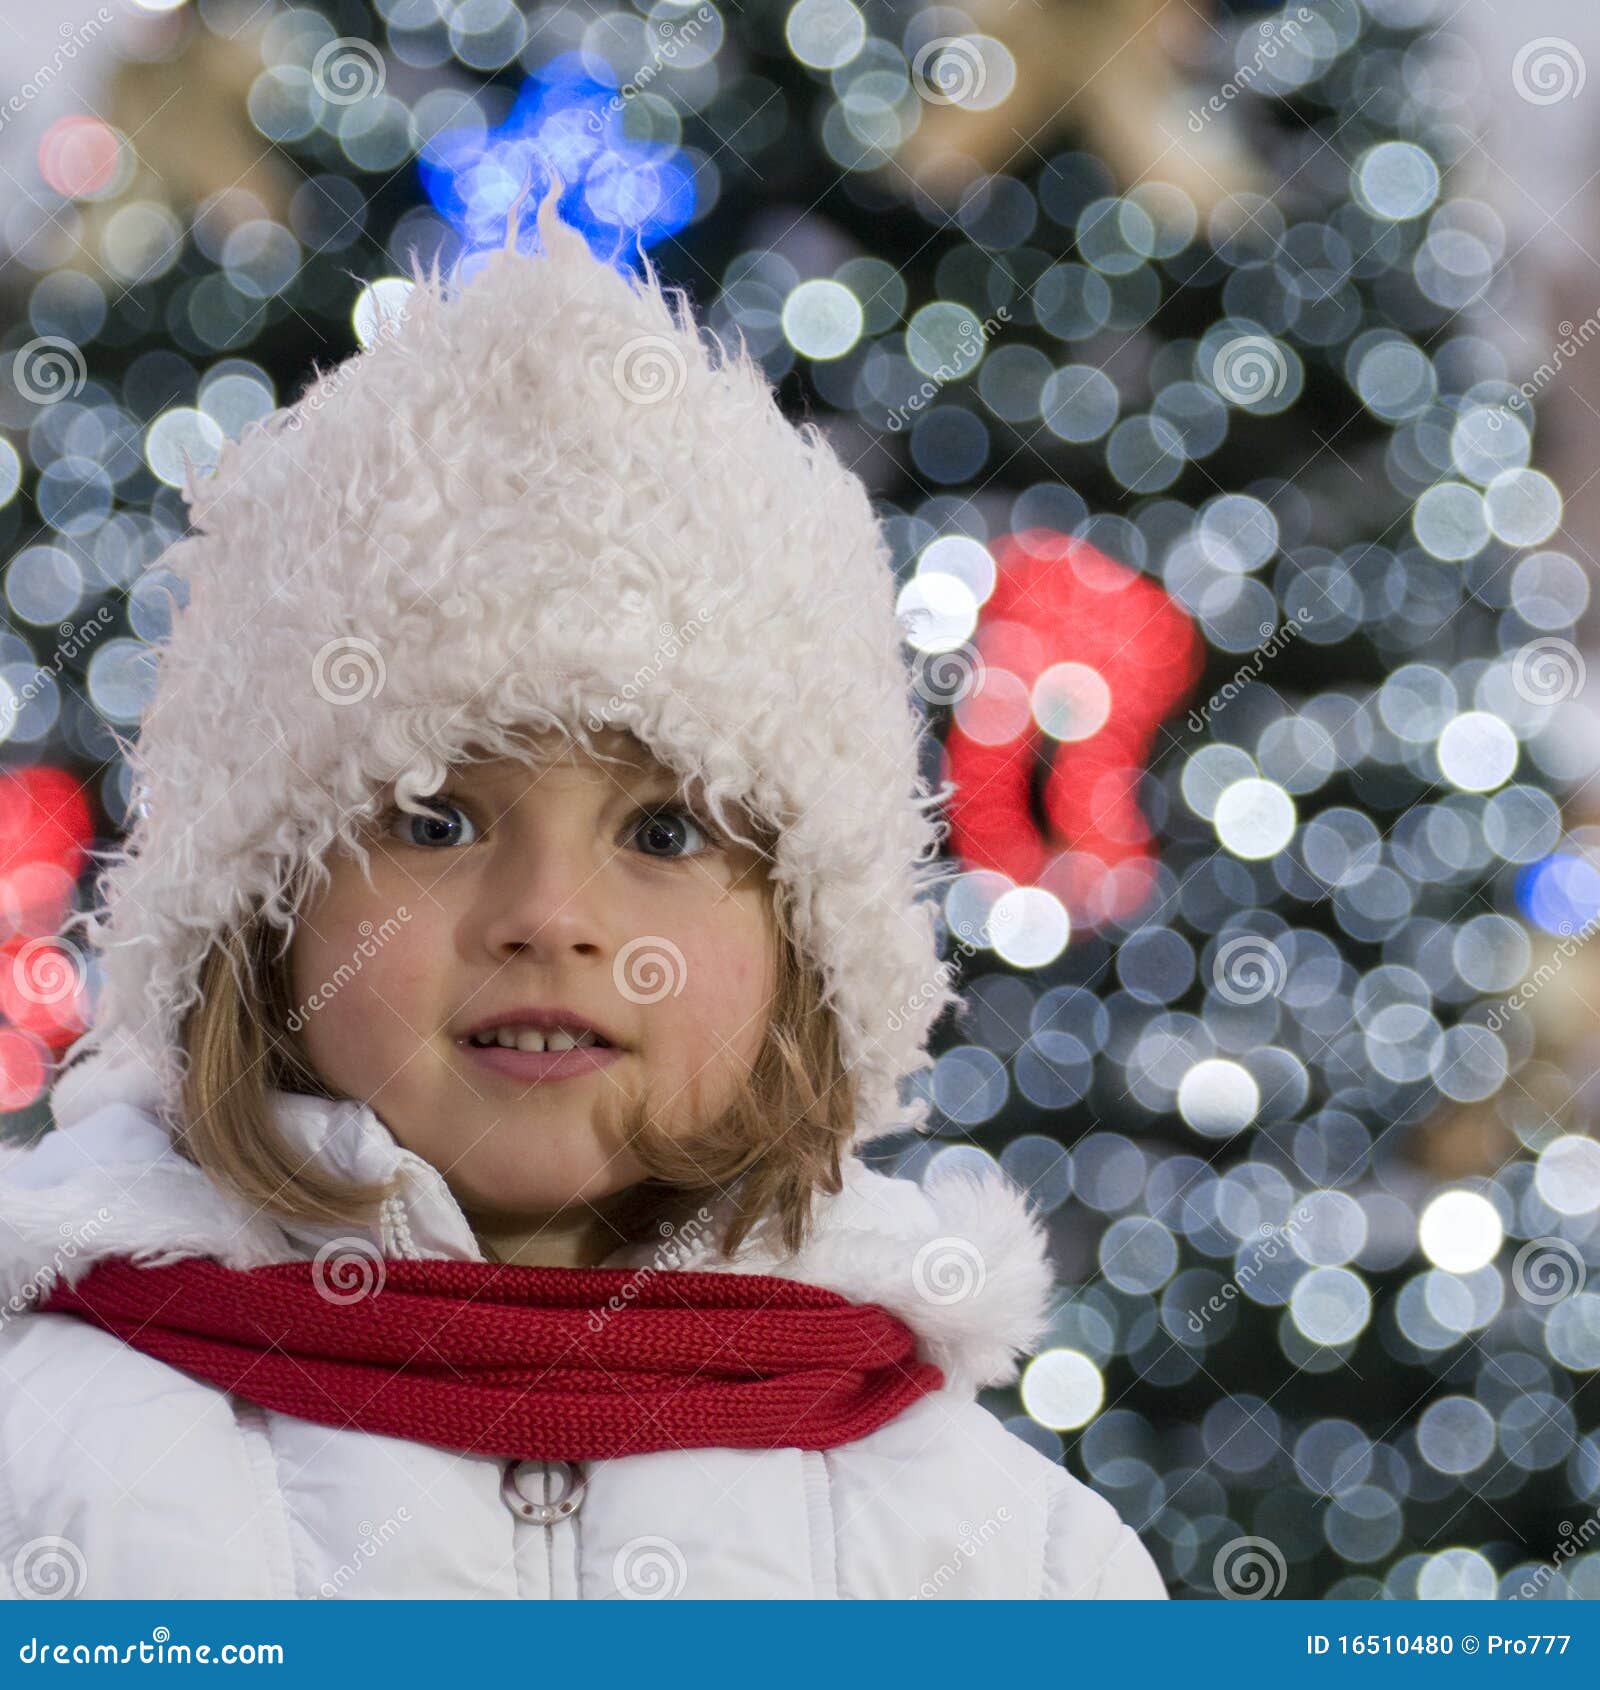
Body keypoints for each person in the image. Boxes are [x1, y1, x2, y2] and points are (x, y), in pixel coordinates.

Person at [0, 178, 1165, 1601]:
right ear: (265, 912)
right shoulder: (44, 1474)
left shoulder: (1007, 1555)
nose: (549, 913)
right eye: (432, 818)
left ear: (811, 942)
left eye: (667, 835)